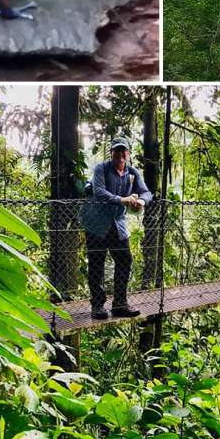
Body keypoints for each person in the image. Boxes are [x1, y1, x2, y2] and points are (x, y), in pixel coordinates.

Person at [81, 136, 153, 319]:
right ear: (111, 152)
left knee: (125, 259)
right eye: (117, 151)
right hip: (96, 224)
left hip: (117, 225)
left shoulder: (133, 173)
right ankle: (97, 306)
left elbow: (146, 192)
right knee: (96, 264)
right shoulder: (101, 169)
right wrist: (123, 200)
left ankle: (120, 304)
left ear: (128, 154)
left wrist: (140, 202)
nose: (120, 154)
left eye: (123, 151)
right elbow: (99, 192)